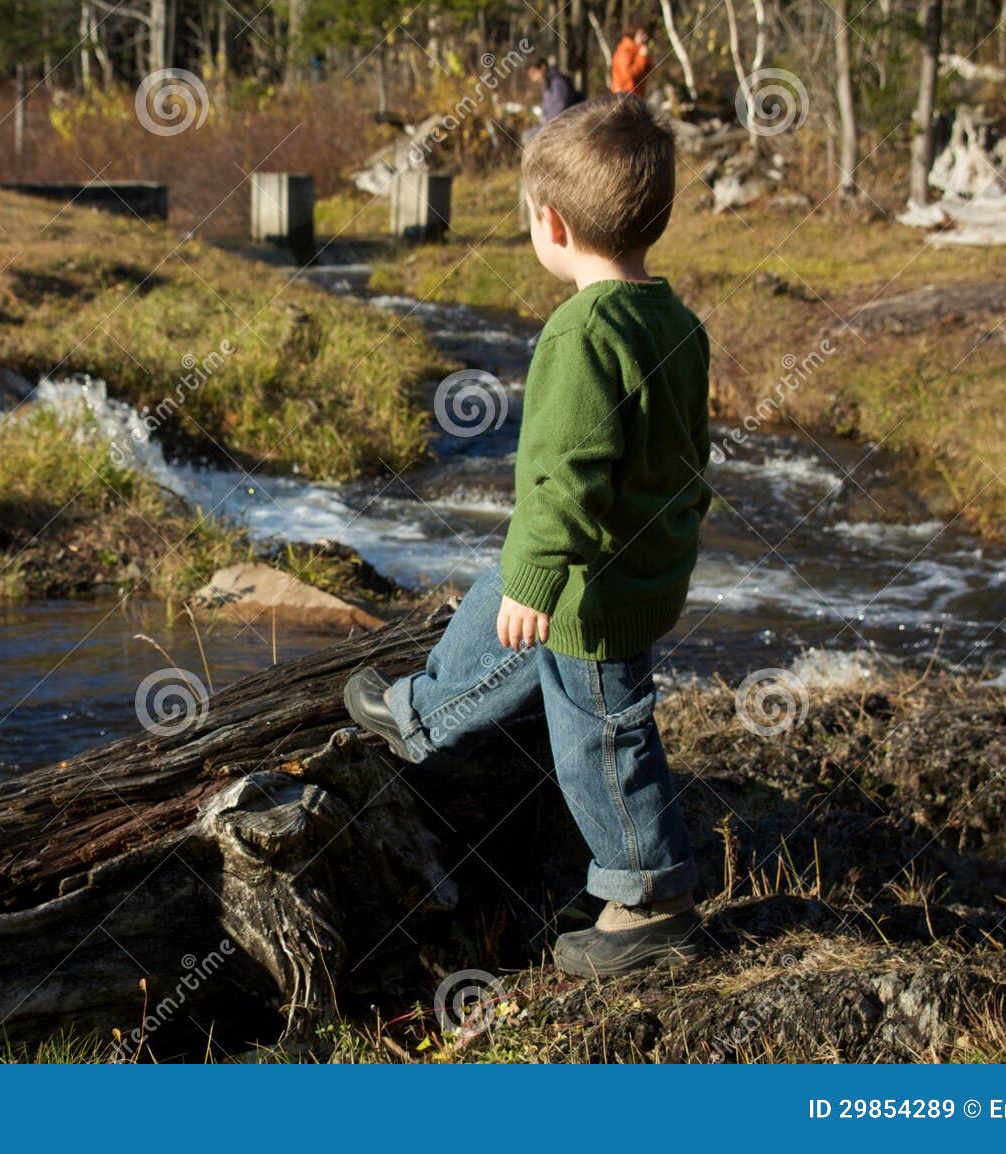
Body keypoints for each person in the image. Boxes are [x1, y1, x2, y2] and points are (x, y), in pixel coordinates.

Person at [344, 96, 712, 979]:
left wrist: (538, 577)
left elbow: (566, 476)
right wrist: (527, 577)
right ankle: (422, 714)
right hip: (633, 564)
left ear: (550, 224)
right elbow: (687, 456)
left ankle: (648, 895)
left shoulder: (579, 333)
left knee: (603, 733)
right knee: (496, 608)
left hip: (595, 582)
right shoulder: (673, 320)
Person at [526, 58, 583, 126]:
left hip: (567, 122)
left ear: (542, 67)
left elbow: (560, 106)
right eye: (531, 76)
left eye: (534, 73)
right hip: (553, 122)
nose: (533, 79)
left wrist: (547, 121)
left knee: (528, 136)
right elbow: (547, 107)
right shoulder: (545, 85)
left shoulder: (557, 81)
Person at [611, 22, 655, 97]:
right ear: (633, 35)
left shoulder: (639, 50)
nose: (645, 38)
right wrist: (641, 57)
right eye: (641, 35)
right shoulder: (624, 51)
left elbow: (648, 71)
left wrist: (646, 58)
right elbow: (628, 76)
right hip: (624, 97)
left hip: (637, 95)